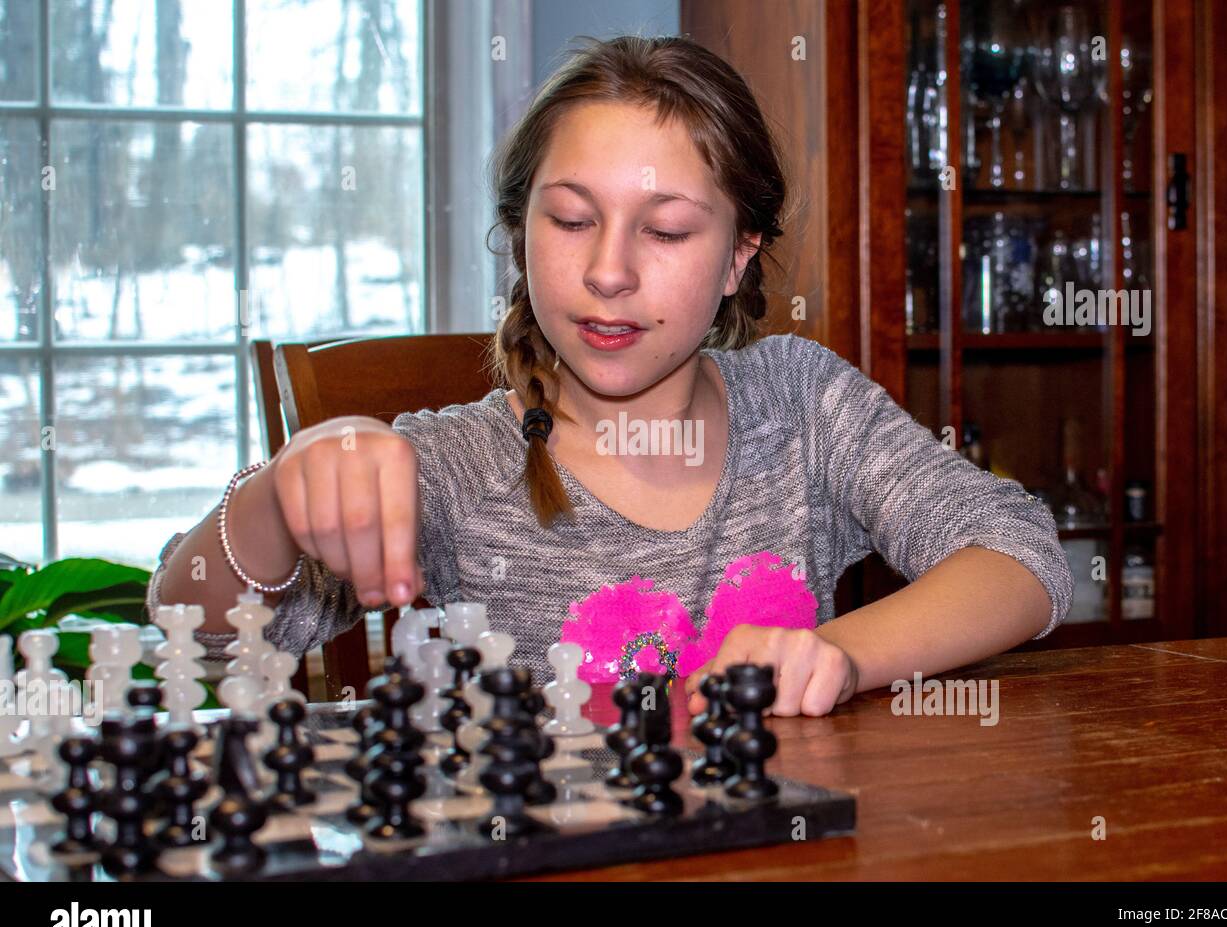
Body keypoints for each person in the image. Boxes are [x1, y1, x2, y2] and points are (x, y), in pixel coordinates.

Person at [149, 35, 1071, 718]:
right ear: (520, 232)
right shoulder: (458, 461)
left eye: (666, 230)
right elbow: (198, 632)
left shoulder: (801, 404)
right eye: (570, 219)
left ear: (739, 257)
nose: (609, 272)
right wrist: (280, 495)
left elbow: (1023, 558)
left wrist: (835, 654)